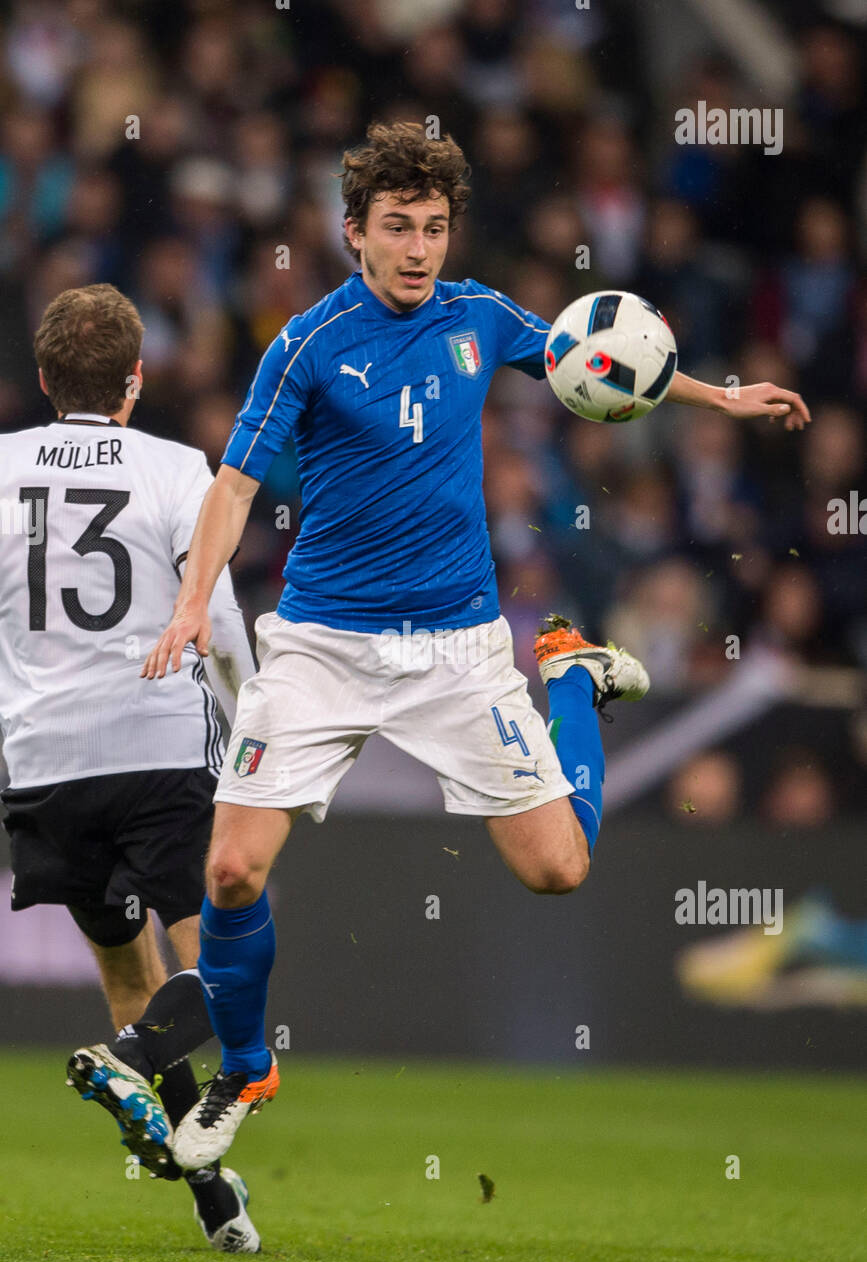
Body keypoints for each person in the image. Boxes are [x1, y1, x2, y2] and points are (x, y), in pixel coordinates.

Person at [141, 122, 810, 1171]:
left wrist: (721, 395)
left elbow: (597, 360)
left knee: (559, 869)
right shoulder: (308, 345)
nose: (418, 249)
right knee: (228, 871)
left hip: (457, 647)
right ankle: (244, 1066)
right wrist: (192, 601)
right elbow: (232, 487)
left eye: (435, 228)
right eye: (397, 228)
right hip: (322, 643)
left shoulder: (480, 315)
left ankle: (574, 682)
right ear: (353, 233)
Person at [0, 283, 261, 1251]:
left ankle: (214, 1199)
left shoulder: (0, 468)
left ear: (41, 380)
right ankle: (125, 1058)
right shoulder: (179, 468)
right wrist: (256, 737)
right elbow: (222, 628)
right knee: (226, 976)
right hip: (157, 748)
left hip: (45, 765)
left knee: (127, 971)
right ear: (136, 381)